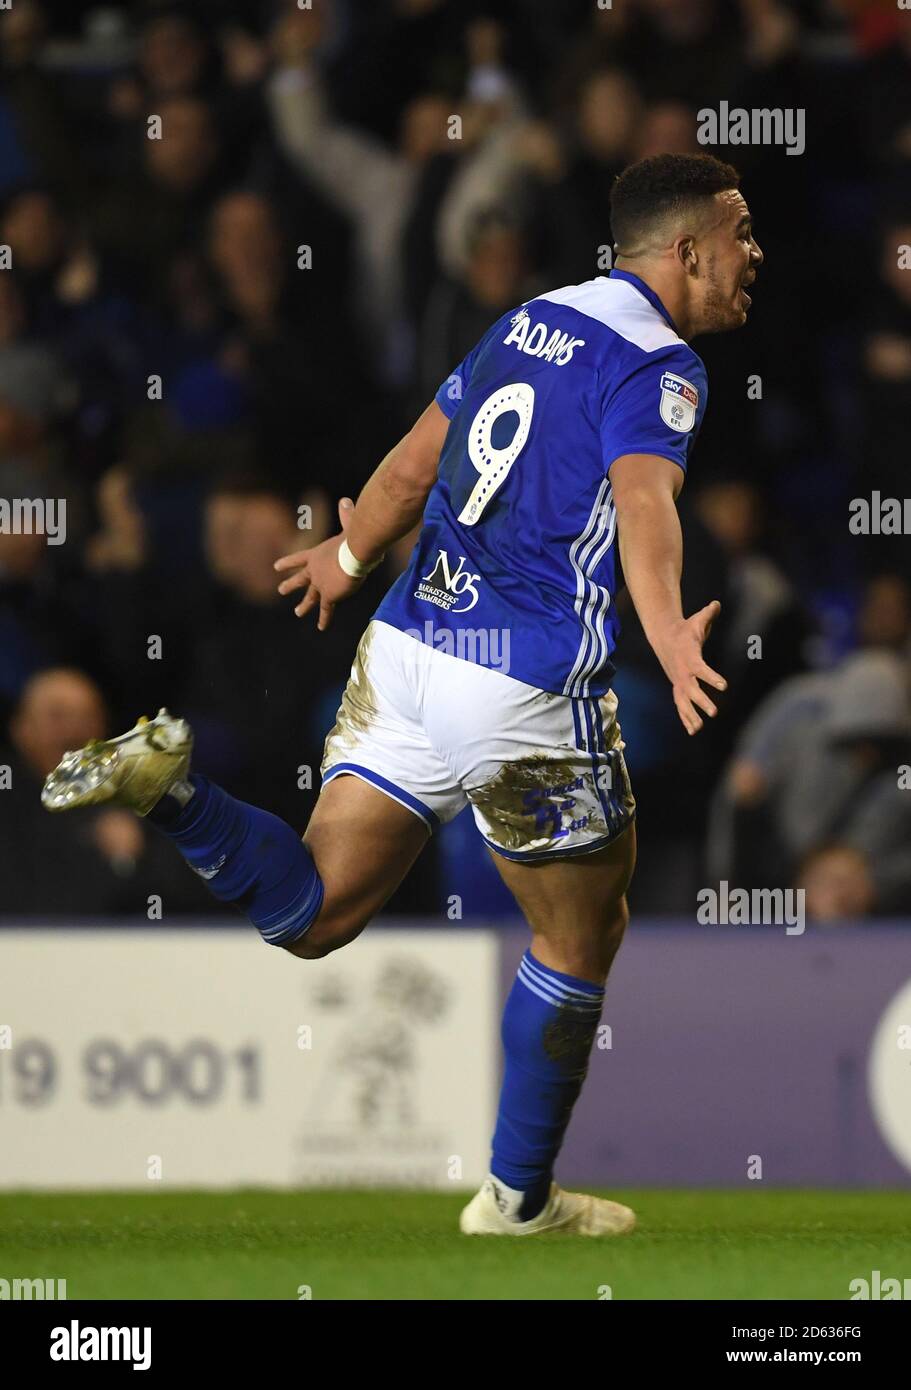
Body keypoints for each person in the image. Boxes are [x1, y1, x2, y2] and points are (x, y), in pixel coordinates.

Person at [42, 153, 763, 1236]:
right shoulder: (662, 363)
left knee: (317, 914)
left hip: (409, 648)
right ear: (684, 249)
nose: (754, 254)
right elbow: (643, 500)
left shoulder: (525, 320)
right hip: (521, 687)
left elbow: (415, 459)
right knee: (580, 932)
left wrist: (345, 552)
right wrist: (661, 628)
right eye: (740, 232)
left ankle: (173, 796)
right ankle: (516, 1196)